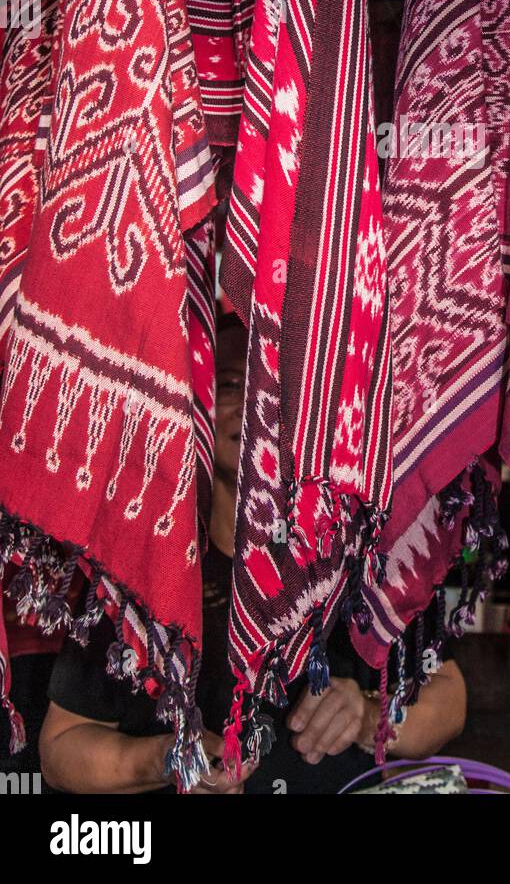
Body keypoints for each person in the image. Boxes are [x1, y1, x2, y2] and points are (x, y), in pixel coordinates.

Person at [39, 318, 466, 794]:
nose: (251, 405)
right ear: (191, 403)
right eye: (228, 384)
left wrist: (369, 716)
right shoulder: (138, 571)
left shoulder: (363, 556)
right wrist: (164, 758)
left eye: (274, 382)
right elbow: (60, 750)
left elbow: (449, 700)